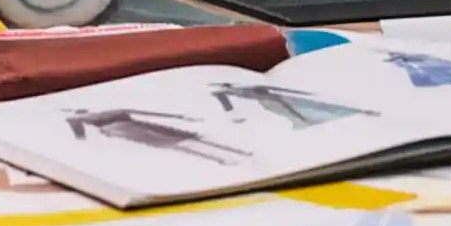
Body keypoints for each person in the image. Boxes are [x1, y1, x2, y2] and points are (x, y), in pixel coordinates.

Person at [65, 108, 250, 166]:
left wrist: (179, 116)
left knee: (183, 142)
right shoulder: (81, 118)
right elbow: (139, 112)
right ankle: (224, 157)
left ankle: (228, 155)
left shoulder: (83, 117)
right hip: (126, 129)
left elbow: (140, 112)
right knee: (180, 143)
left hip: (129, 127)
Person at [209, 83, 378, 130]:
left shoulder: (244, 89)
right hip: (274, 102)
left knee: (316, 107)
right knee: (299, 112)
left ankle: (359, 113)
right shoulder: (235, 92)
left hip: (278, 100)